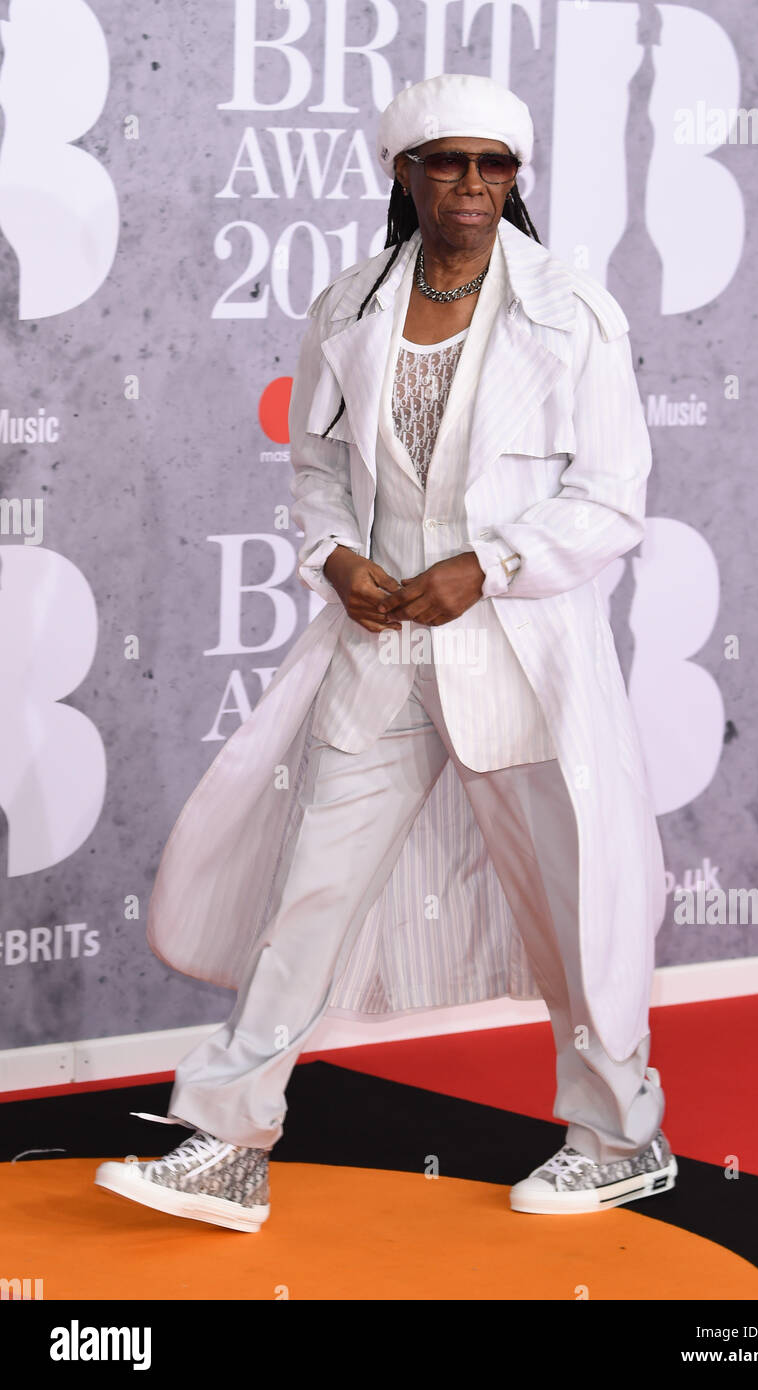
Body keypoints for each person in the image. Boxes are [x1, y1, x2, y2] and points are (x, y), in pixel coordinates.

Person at [95, 73, 675, 1234]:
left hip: (520, 658)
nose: (471, 186)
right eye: (447, 162)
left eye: (494, 166)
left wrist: (492, 565)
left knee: (575, 909)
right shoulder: (348, 302)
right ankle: (226, 1139)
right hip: (379, 650)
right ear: (400, 172)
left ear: (515, 179)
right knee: (306, 889)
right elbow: (314, 469)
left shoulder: (571, 308)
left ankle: (618, 1138)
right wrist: (335, 557)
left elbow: (613, 500)